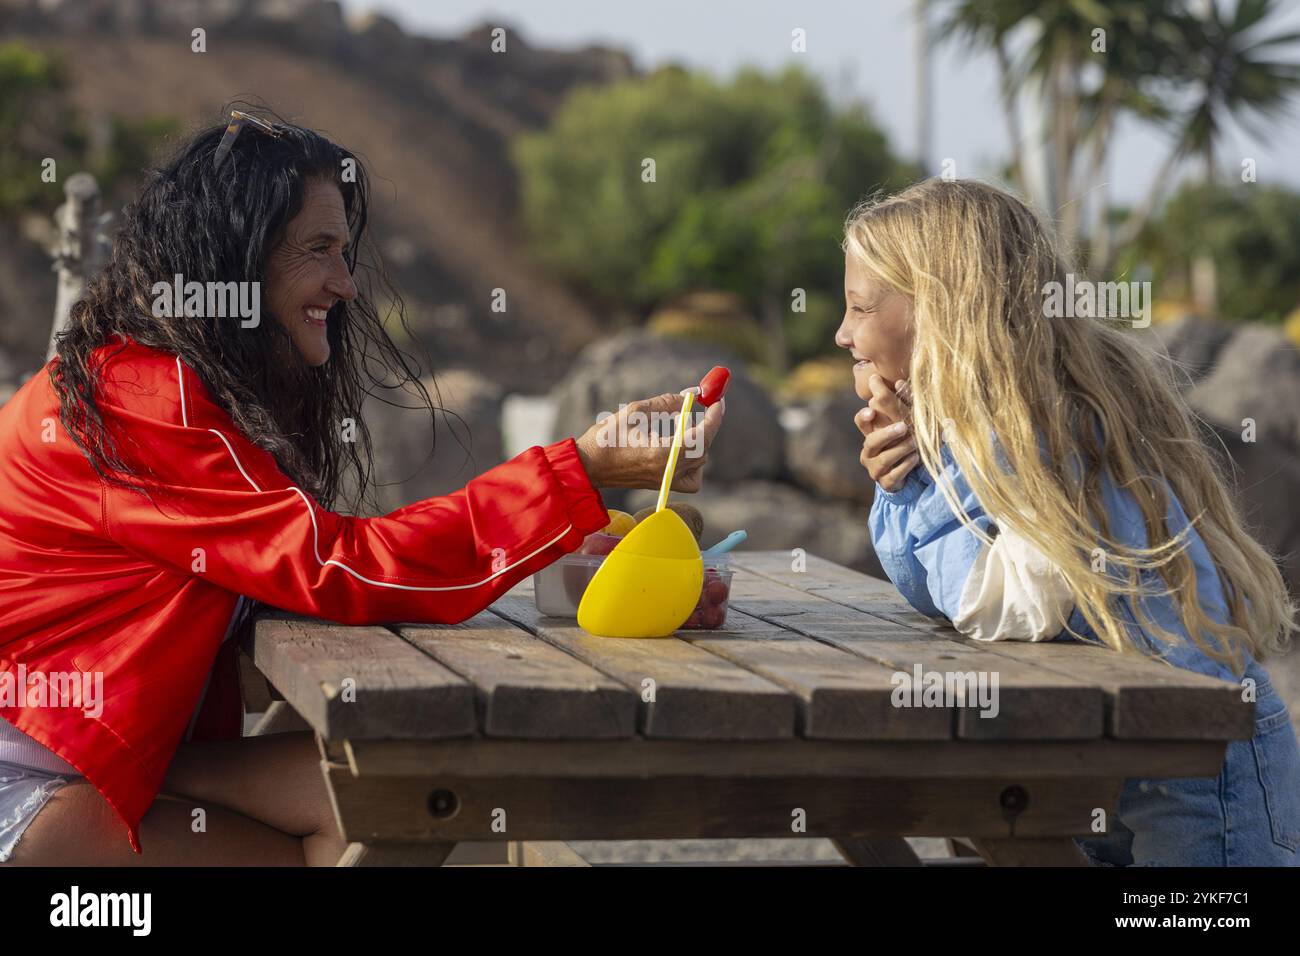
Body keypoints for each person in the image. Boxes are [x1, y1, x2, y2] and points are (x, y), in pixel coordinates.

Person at [0, 112, 723, 865]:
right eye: (319, 250)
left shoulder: (159, 383)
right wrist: (582, 471)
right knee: (382, 808)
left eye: (344, 252)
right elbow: (334, 564)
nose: (346, 285)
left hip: (86, 748)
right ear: (235, 262)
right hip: (29, 779)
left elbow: (303, 569)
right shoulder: (142, 404)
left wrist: (565, 540)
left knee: (389, 792)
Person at [841, 177, 1300, 866]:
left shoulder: (1049, 433)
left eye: (858, 307)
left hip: (1198, 764)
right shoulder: (976, 430)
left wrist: (924, 495)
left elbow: (1000, 603)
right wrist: (906, 482)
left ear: (942, 312)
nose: (843, 333)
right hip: (1105, 750)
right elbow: (933, 594)